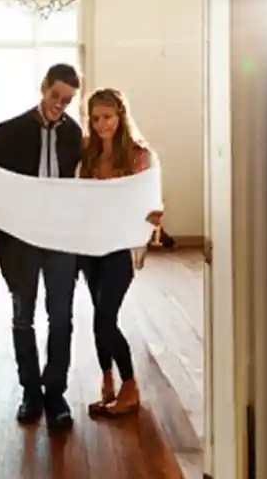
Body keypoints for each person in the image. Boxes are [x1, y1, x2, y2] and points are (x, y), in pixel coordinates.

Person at [0, 63, 83, 432]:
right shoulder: (9, 130)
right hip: (19, 241)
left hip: (60, 237)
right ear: (43, 87)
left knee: (61, 317)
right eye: (55, 96)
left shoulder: (74, 134)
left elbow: (83, 185)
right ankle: (31, 392)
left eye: (67, 100)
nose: (59, 104)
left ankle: (56, 393)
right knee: (23, 316)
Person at [78, 88, 164, 418]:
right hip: (90, 245)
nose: (101, 124)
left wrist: (156, 215)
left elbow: (151, 199)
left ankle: (130, 388)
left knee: (104, 318)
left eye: (107, 117)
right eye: (95, 118)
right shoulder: (87, 153)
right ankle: (107, 384)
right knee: (100, 314)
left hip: (121, 247)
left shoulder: (140, 156)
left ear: (121, 117)